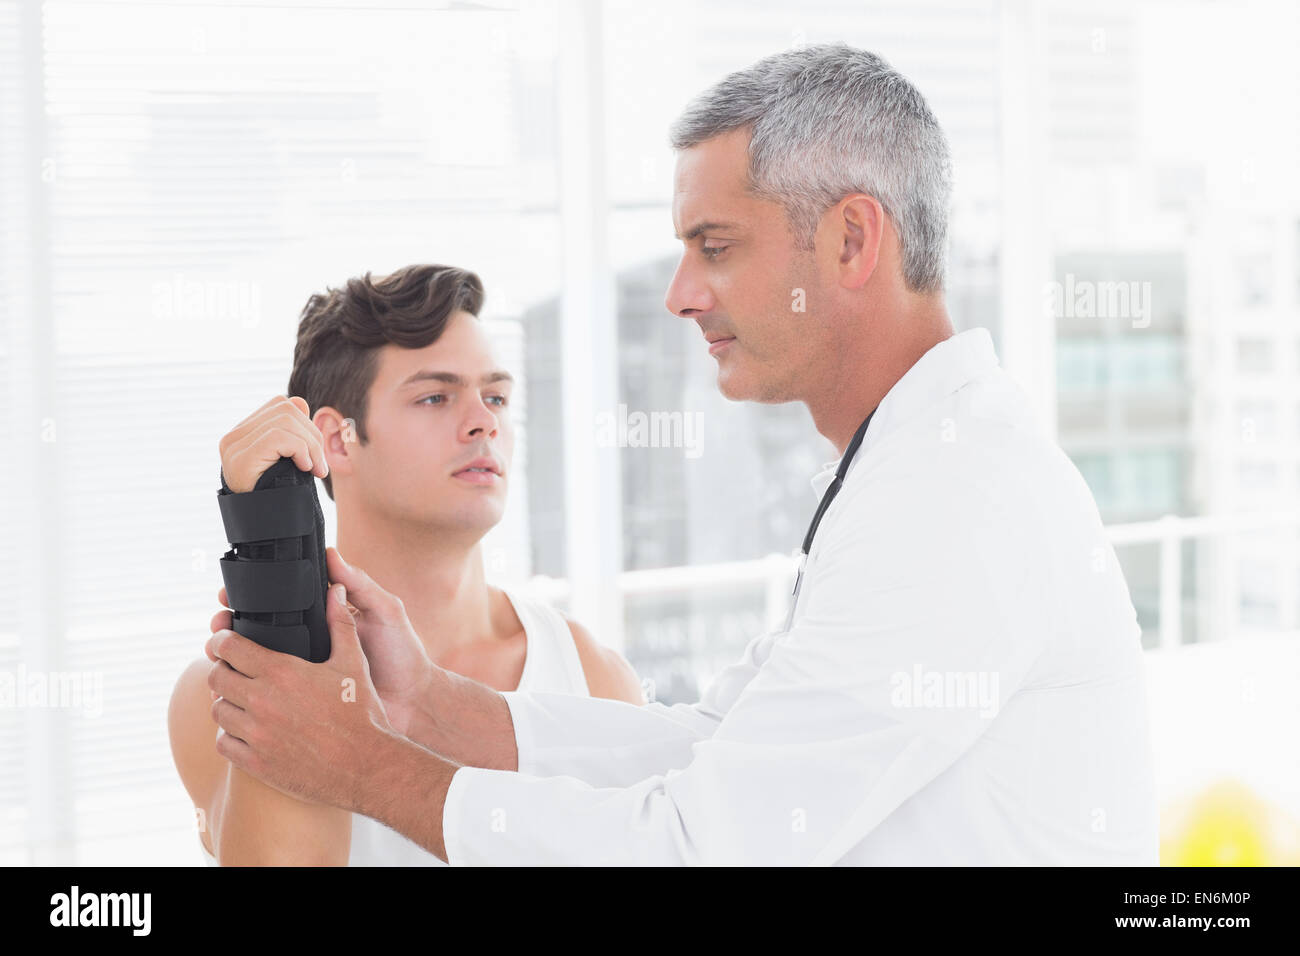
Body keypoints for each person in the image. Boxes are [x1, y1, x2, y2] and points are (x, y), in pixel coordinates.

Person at [203, 43, 1159, 865]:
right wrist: (428, 707)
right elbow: (718, 746)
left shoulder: (953, 498)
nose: (682, 294)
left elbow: (697, 850)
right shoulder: (908, 473)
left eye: (715, 245)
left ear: (852, 239)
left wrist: (367, 765)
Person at [168, 264, 644, 866]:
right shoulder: (222, 697)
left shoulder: (594, 676)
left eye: (495, 396)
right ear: (337, 441)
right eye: (435, 397)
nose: (484, 422)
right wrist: (272, 534)